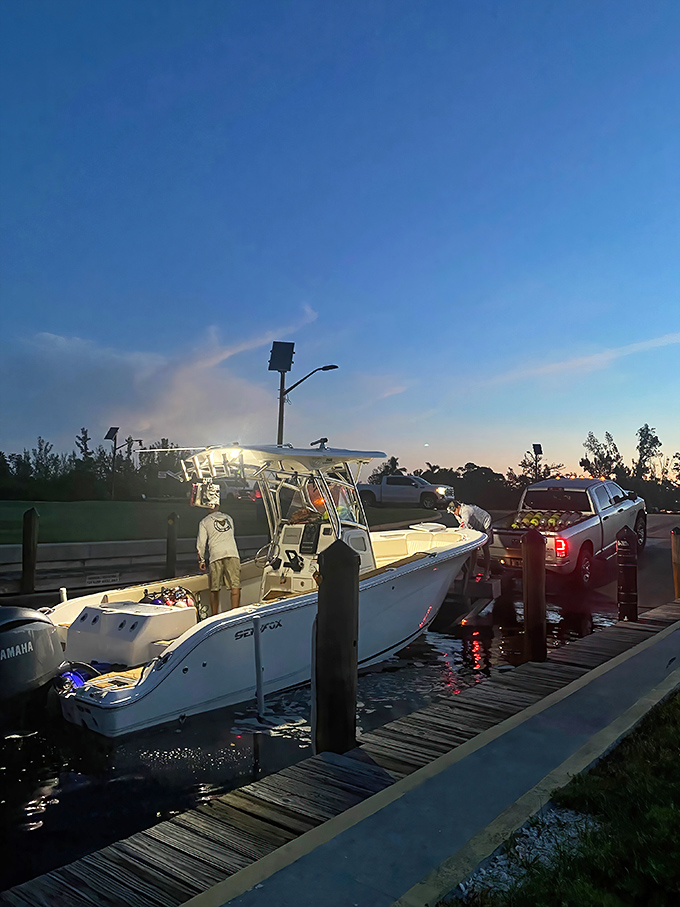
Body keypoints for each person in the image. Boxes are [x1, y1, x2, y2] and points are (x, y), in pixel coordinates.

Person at [196, 500, 241, 615]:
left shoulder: (204, 522)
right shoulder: (229, 518)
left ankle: (214, 615)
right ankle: (235, 613)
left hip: (216, 554)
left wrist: (201, 559)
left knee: (215, 588)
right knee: (235, 586)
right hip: (232, 552)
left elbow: (201, 543)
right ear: (218, 505)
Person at [448, 500, 493, 579]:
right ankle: (471, 571)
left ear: (459, 507)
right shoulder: (455, 513)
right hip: (474, 526)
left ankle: (486, 572)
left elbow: (463, 524)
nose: (454, 513)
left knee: (485, 548)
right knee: (474, 550)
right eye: (452, 511)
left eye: (455, 511)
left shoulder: (466, 510)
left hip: (485, 523)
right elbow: (466, 528)